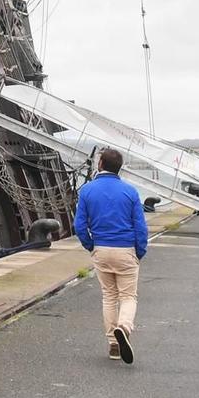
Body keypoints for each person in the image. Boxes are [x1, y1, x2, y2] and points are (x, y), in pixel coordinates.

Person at [73, 147, 148, 364]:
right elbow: (140, 227)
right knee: (128, 296)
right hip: (126, 249)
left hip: (101, 249)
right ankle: (124, 327)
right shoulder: (131, 192)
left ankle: (113, 345)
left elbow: (79, 225)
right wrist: (139, 251)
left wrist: (91, 246)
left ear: (100, 164)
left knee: (109, 296)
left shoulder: (86, 191)